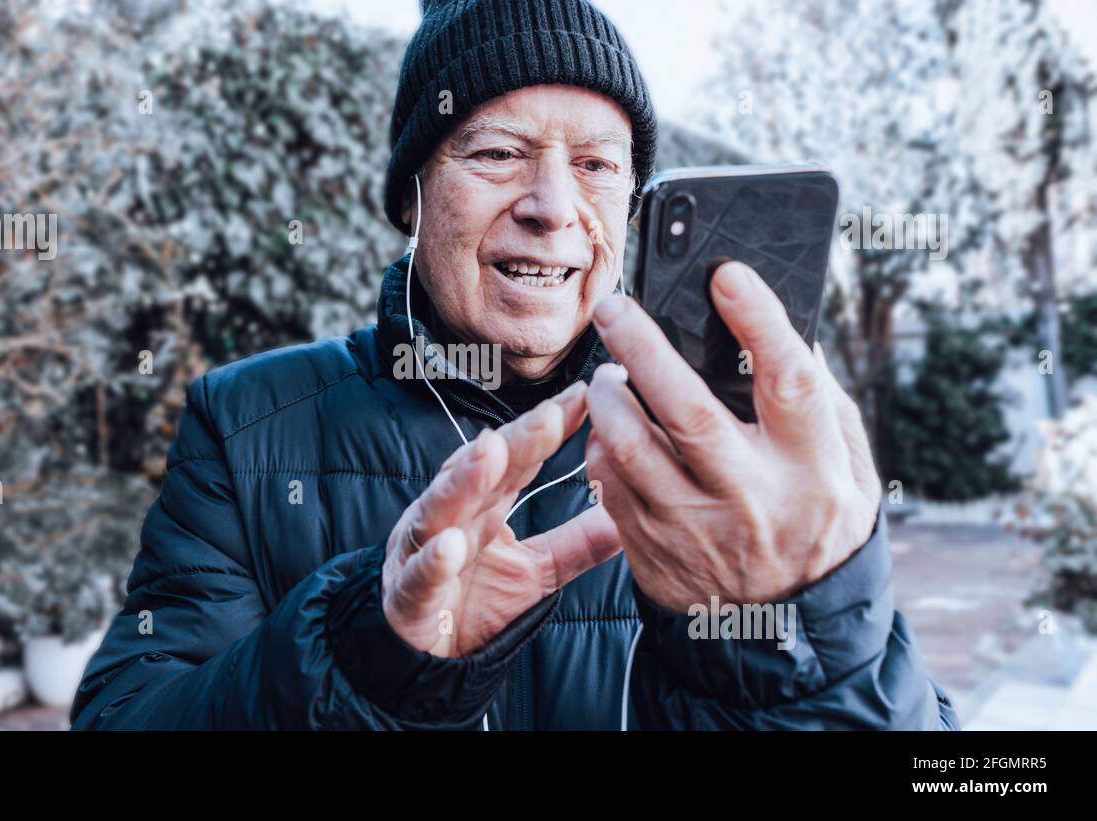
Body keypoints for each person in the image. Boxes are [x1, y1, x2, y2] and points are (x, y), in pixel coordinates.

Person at [70, 0, 959, 730]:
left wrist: (799, 632)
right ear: (410, 195)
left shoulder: (741, 447)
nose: (553, 206)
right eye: (496, 153)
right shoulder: (245, 421)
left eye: (596, 164)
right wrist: (367, 651)